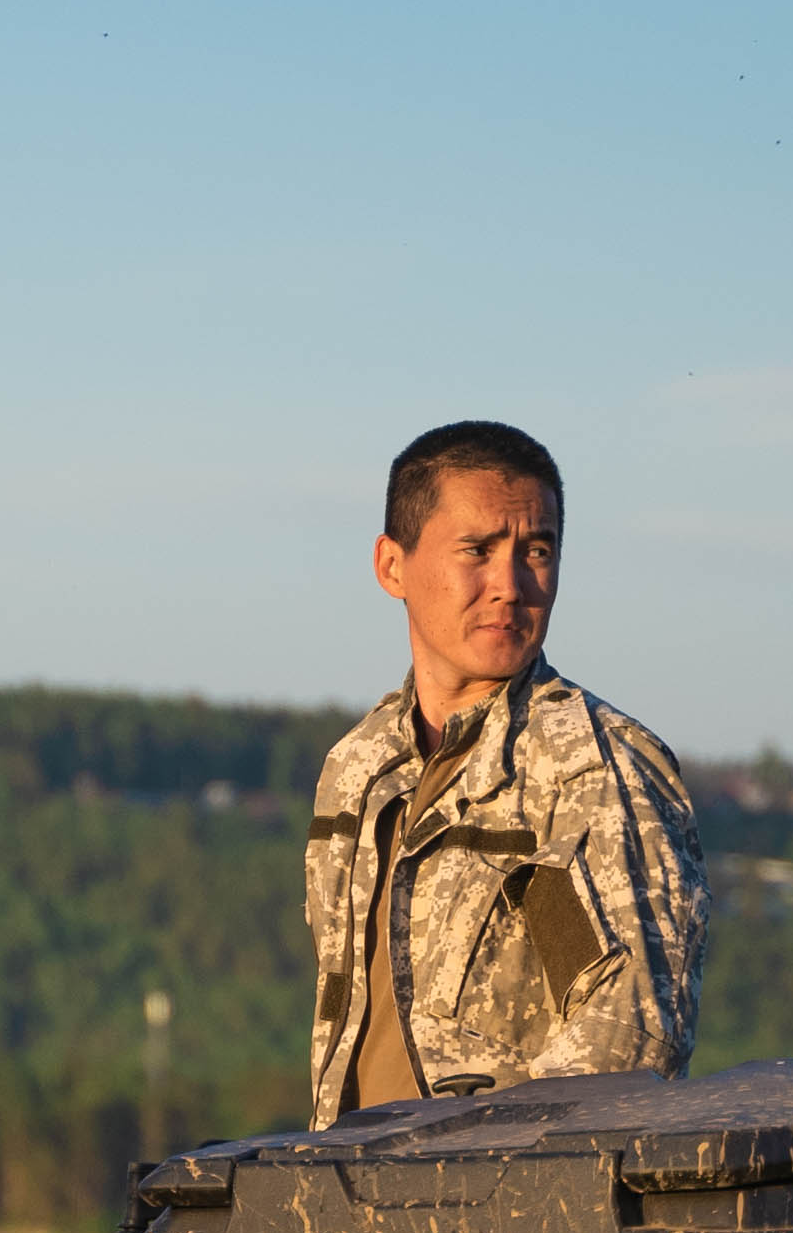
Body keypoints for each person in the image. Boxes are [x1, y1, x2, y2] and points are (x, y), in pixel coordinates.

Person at [301, 419, 706, 1122]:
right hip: (346, 1180)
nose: (511, 586)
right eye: (477, 550)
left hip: (507, 1187)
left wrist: (487, 1164)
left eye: (537, 552)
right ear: (392, 566)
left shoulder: (590, 770)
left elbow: (627, 1035)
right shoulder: (358, 768)